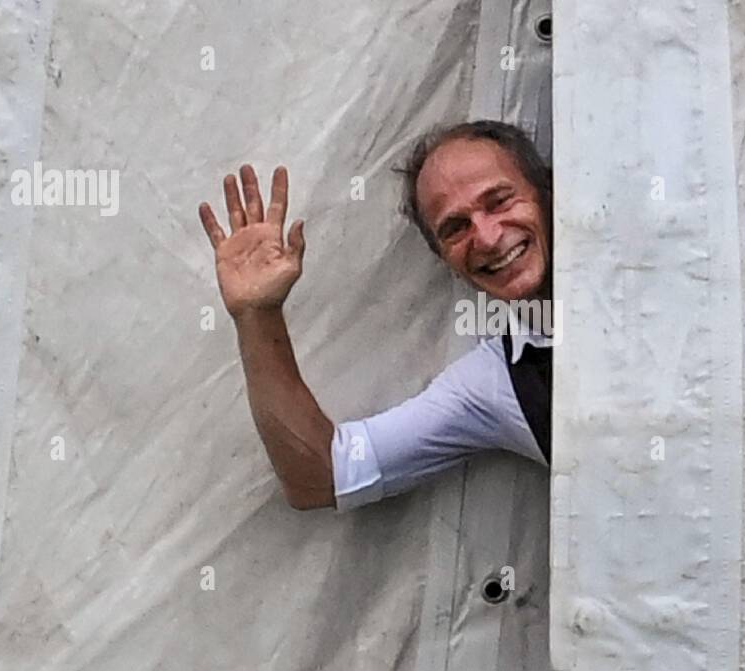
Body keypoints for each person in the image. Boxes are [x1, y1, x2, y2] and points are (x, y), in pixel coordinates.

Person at [197, 120, 553, 511]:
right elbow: (322, 476)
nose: (486, 237)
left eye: (499, 200)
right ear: (444, 259)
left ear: (548, 193)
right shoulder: (496, 383)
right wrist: (256, 313)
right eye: (455, 228)